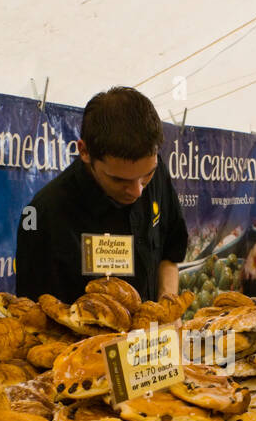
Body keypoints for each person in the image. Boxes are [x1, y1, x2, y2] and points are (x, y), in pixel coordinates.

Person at [15, 86, 187, 304]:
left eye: (147, 175)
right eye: (119, 180)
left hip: (153, 334)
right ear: (85, 152)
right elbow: (39, 319)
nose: (137, 191)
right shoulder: (44, 216)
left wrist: (166, 303)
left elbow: (170, 255)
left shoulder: (157, 171)